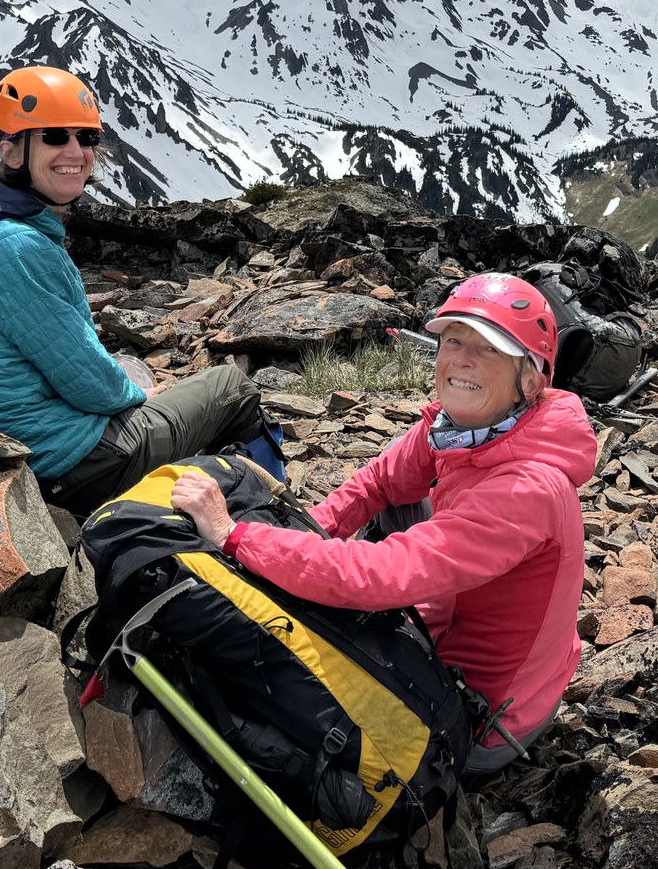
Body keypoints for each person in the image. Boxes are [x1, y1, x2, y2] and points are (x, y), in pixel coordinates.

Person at [170, 273, 596, 775]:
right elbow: (378, 483)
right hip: (478, 636)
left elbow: (381, 575)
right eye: (454, 340)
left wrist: (234, 536)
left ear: (531, 377)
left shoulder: (527, 489)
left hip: (484, 720)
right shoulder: (464, 429)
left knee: (297, 662)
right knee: (382, 516)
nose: (461, 359)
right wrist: (308, 535)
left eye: (490, 350)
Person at [0, 65, 280, 514]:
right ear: (11, 151)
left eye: (85, 137)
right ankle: (273, 523)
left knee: (145, 382)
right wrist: (137, 397)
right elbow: (87, 382)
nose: (75, 151)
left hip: (20, 454)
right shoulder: (15, 246)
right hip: (67, 465)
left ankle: (199, 504)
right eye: (53, 136)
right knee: (230, 388)